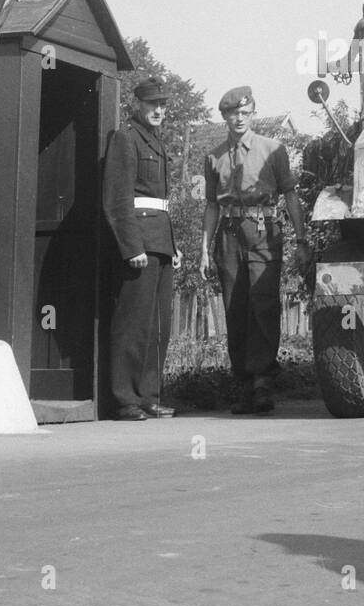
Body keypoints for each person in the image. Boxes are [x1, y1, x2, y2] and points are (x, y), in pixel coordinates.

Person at [200, 86, 309, 415]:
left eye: (245, 113)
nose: (239, 118)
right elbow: (210, 205)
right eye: (233, 113)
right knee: (235, 307)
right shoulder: (213, 156)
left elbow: (290, 195)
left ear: (254, 113)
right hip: (229, 236)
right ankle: (244, 384)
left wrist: (301, 239)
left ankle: (262, 382)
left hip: (263, 230)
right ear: (224, 117)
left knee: (262, 305)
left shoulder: (274, 149)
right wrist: (204, 250)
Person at [102, 77, 182, 420]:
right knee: (133, 324)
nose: (158, 110)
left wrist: (173, 246)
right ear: (138, 105)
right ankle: (126, 399)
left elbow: (162, 202)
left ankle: (149, 395)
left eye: (162, 105)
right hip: (140, 245)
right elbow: (118, 198)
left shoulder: (158, 143)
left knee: (158, 325)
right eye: (152, 104)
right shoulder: (126, 138)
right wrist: (131, 246)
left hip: (160, 242)